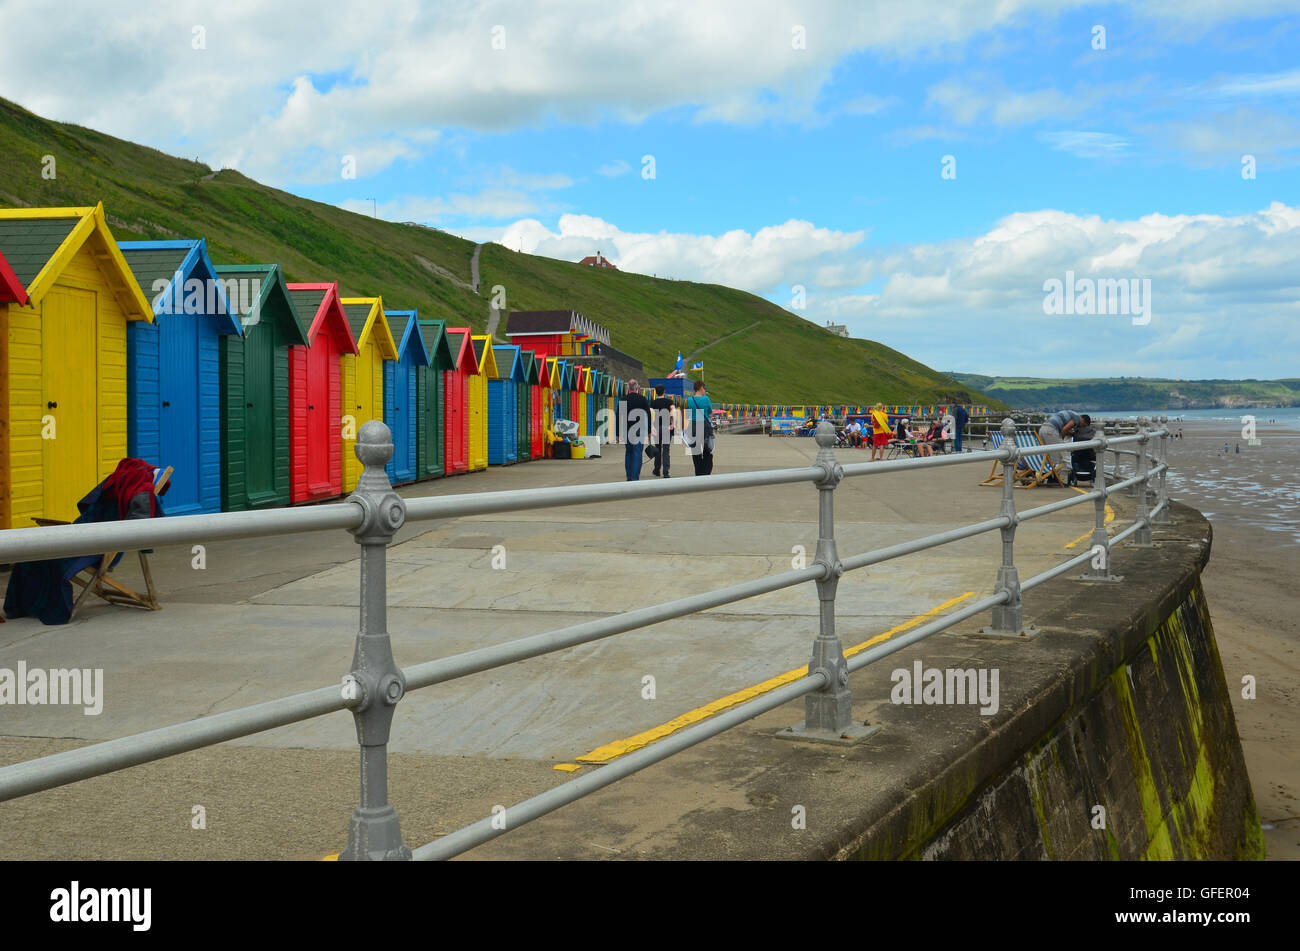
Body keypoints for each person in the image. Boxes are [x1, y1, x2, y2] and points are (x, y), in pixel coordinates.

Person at [619, 379, 651, 481]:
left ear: (628, 388)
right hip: (639, 430)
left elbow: (618, 416)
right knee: (637, 453)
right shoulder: (642, 399)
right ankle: (635, 476)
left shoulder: (623, 399)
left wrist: (617, 433)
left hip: (626, 430)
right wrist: (649, 430)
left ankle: (629, 475)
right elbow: (648, 415)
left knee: (628, 452)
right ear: (637, 388)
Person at [1039, 409, 1083, 482]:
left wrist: (1069, 433)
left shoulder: (1070, 413)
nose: (1080, 428)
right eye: (1083, 426)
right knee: (1058, 457)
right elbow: (1064, 429)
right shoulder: (1077, 418)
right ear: (1084, 422)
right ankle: (1054, 479)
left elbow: (1064, 428)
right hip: (1051, 430)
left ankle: (1047, 476)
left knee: (1047, 456)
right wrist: (1061, 441)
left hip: (1043, 429)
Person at [684, 380, 714, 476]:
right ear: (701, 387)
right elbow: (710, 413)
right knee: (707, 450)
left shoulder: (689, 400)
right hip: (704, 426)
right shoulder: (706, 399)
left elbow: (688, 415)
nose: (705, 390)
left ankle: (698, 472)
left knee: (695, 451)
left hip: (693, 427)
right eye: (704, 388)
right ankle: (705, 472)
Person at [650, 385, 676, 478]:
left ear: (656, 392)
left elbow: (651, 415)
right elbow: (673, 412)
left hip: (657, 428)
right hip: (667, 428)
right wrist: (672, 424)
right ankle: (666, 472)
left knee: (657, 449)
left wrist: (651, 427)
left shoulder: (653, 403)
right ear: (664, 392)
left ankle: (657, 470)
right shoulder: (669, 402)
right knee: (666, 450)